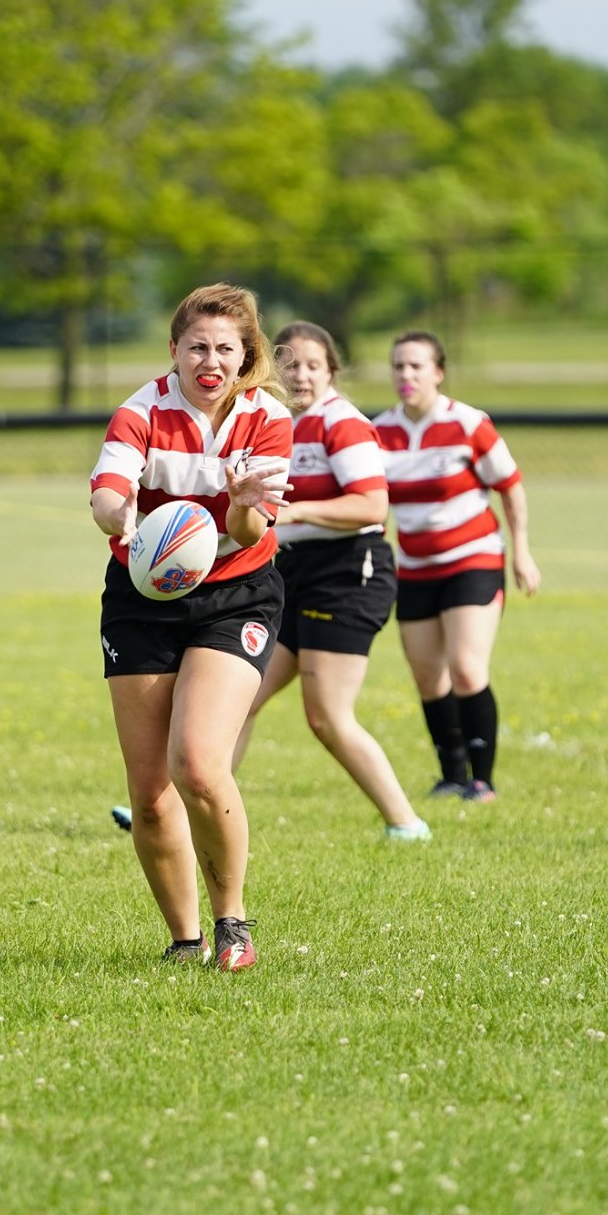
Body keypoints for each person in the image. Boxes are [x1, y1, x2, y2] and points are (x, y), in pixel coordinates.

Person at [90, 282, 292, 971]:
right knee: (149, 793)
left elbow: (251, 527)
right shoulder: (140, 411)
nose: (210, 360)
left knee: (200, 764)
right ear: (174, 350)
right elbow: (107, 492)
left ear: (246, 357)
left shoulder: (266, 420)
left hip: (236, 593)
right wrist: (119, 514)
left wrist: (239, 500)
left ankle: (232, 920)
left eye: (225, 349)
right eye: (197, 346)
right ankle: (184, 938)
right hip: (142, 596)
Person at [231, 322, 427, 842]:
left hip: (348, 574)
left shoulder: (343, 424)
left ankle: (406, 823)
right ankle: (186, 807)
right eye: (290, 365)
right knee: (238, 698)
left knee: (327, 717)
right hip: (292, 573)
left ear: (331, 371)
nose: (300, 375)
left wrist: (292, 512)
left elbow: (372, 505)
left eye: (312, 365)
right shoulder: (274, 422)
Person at [375, 331, 540, 803]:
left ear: (438, 373)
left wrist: (522, 551)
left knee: (467, 669)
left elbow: (511, 487)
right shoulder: (379, 431)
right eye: (398, 366)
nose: (406, 375)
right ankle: (451, 774)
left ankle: (482, 780)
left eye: (416, 366)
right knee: (429, 676)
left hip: (474, 561)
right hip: (414, 569)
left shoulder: (468, 423)